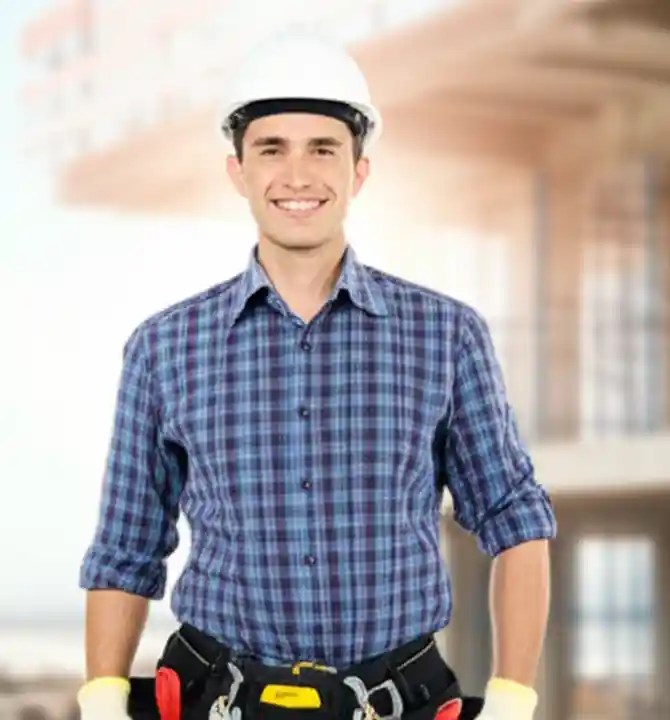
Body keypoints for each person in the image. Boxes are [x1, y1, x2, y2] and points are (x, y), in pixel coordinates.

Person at [73, 35, 556, 720]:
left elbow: (514, 515)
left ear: (360, 170)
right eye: (272, 148)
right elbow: (127, 547)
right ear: (238, 170)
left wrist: (512, 696)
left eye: (323, 148)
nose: (297, 175)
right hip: (218, 698)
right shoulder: (164, 347)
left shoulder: (446, 334)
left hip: (398, 701)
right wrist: (102, 697)